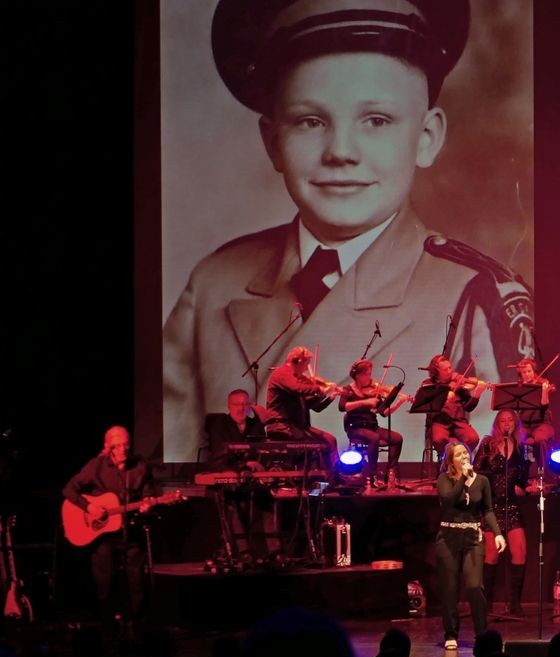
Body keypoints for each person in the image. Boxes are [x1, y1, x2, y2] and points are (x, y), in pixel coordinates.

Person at [162, 0, 535, 464]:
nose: (340, 151)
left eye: (376, 120)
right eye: (311, 121)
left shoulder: (475, 292)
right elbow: (179, 452)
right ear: (273, 142)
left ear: (426, 138)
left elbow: (493, 448)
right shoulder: (213, 284)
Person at [62, 426, 156, 625]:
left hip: (130, 530)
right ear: (107, 447)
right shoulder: (96, 466)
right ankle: (108, 625)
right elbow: (69, 490)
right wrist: (89, 507)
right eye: (117, 446)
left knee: (137, 581)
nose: (123, 449)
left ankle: (136, 624)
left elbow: (148, 492)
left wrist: (147, 504)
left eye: (126, 445)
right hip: (102, 535)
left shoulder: (140, 466)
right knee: (105, 580)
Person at [435, 441, 505, 650]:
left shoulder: (482, 481)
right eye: (458, 455)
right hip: (448, 537)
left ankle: (482, 635)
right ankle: (451, 634)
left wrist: (497, 534)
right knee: (450, 588)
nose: (464, 456)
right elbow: (449, 500)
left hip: (473, 537)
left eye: (465, 452)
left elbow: (488, 510)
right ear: (451, 461)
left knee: (475, 586)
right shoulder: (444, 479)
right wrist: (463, 478)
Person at [206, 389, 277, 560]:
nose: (241, 408)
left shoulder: (256, 426)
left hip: (252, 477)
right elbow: (220, 455)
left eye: (245, 404)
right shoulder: (220, 425)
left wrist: (263, 466)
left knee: (267, 500)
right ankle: (244, 552)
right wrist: (244, 465)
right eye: (237, 404)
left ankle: (275, 551)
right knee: (234, 502)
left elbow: (264, 451)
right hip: (228, 474)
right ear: (229, 406)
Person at [475, 410, 533, 616]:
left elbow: (523, 477)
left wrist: (524, 487)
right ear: (497, 424)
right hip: (492, 506)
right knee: (491, 555)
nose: (506, 424)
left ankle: (515, 603)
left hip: (512, 505)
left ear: (515, 424)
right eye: (502, 421)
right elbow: (476, 472)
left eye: (510, 420)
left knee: (520, 551)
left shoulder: (522, 448)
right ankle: (487, 602)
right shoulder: (487, 444)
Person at [262, 346, 340, 471]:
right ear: (298, 361)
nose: (306, 368)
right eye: (306, 363)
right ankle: (308, 475)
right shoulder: (282, 373)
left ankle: (333, 475)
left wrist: (325, 394)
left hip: (297, 426)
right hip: (281, 425)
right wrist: (318, 388)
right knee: (315, 444)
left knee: (330, 440)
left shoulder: (295, 378)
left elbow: (310, 405)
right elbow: (298, 388)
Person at [340, 359, 411, 492]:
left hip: (373, 427)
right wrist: (365, 402)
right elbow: (342, 407)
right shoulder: (348, 390)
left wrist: (399, 403)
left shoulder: (374, 391)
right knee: (374, 438)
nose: (370, 377)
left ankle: (390, 473)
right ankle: (372, 475)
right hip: (356, 428)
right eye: (367, 374)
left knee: (397, 438)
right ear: (358, 375)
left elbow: (384, 412)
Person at [420, 354, 484, 450]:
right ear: (436, 372)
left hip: (459, 422)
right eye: (446, 369)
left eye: (450, 367)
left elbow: (468, 408)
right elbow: (425, 403)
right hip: (439, 423)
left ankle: (460, 456)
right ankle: (446, 458)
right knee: (439, 440)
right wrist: (444, 395)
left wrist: (477, 394)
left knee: (473, 438)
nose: (450, 371)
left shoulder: (459, 382)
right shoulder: (428, 384)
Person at [514, 357, 556, 468]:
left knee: (540, 439)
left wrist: (545, 391)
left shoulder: (541, 384)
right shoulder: (519, 388)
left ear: (534, 371)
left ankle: (542, 471)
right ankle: (520, 473)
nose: (527, 374)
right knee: (516, 440)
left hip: (542, 425)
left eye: (529, 371)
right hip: (525, 427)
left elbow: (544, 406)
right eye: (524, 372)